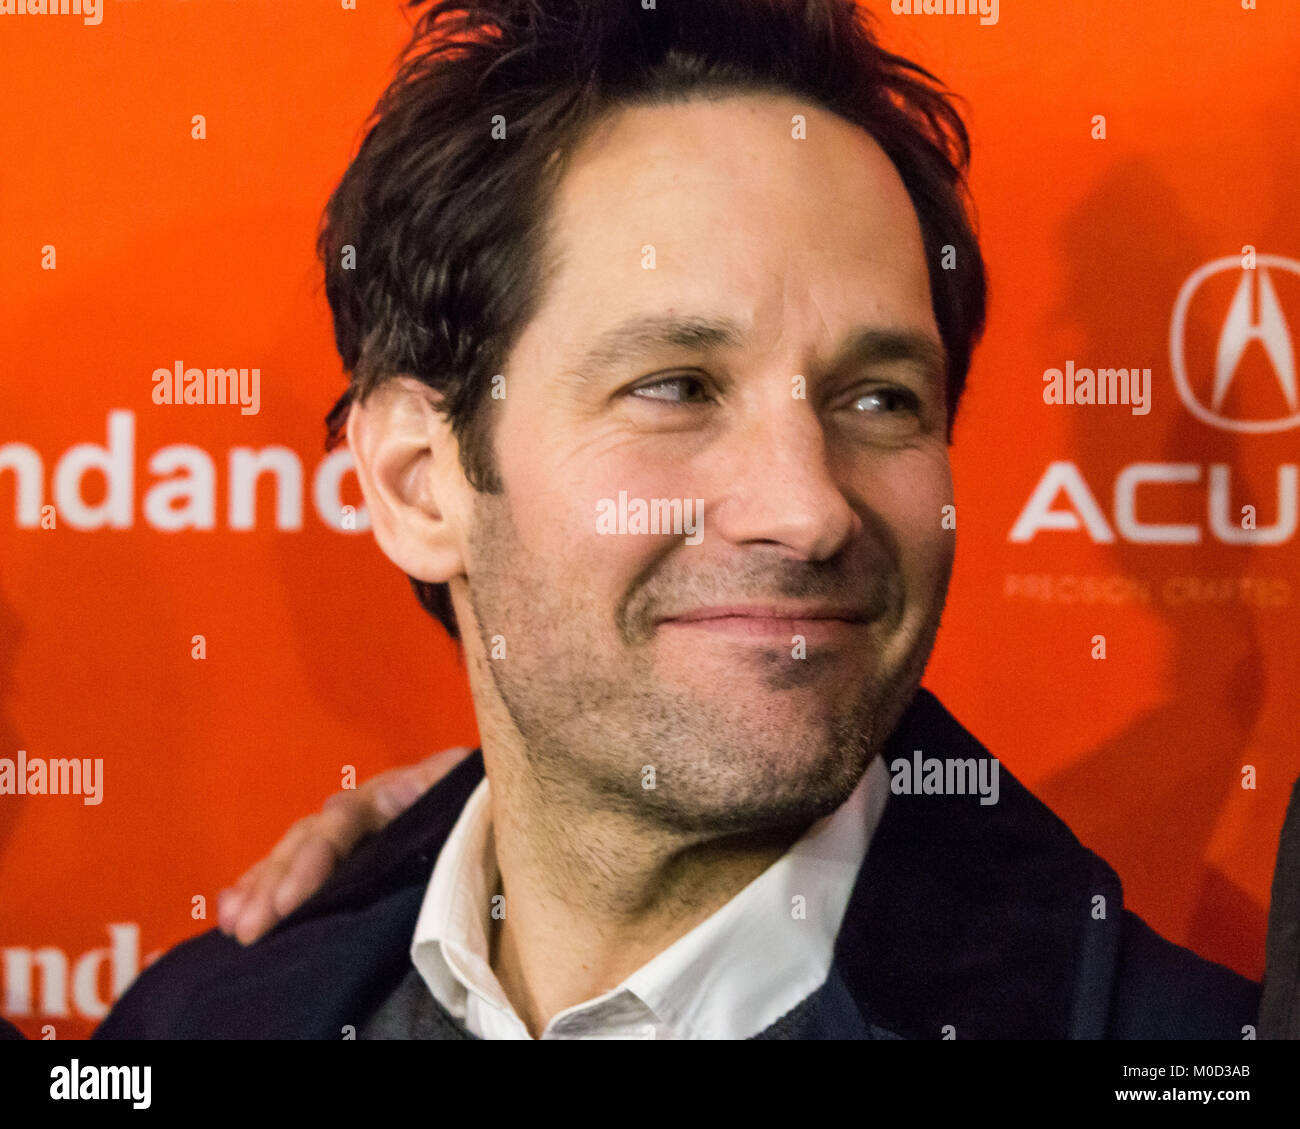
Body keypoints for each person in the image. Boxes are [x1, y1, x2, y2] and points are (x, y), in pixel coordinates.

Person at [94, 0, 1260, 1040]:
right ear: (415, 482)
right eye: (674, 386)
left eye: (877, 398)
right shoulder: (195, 1020)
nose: (806, 509)